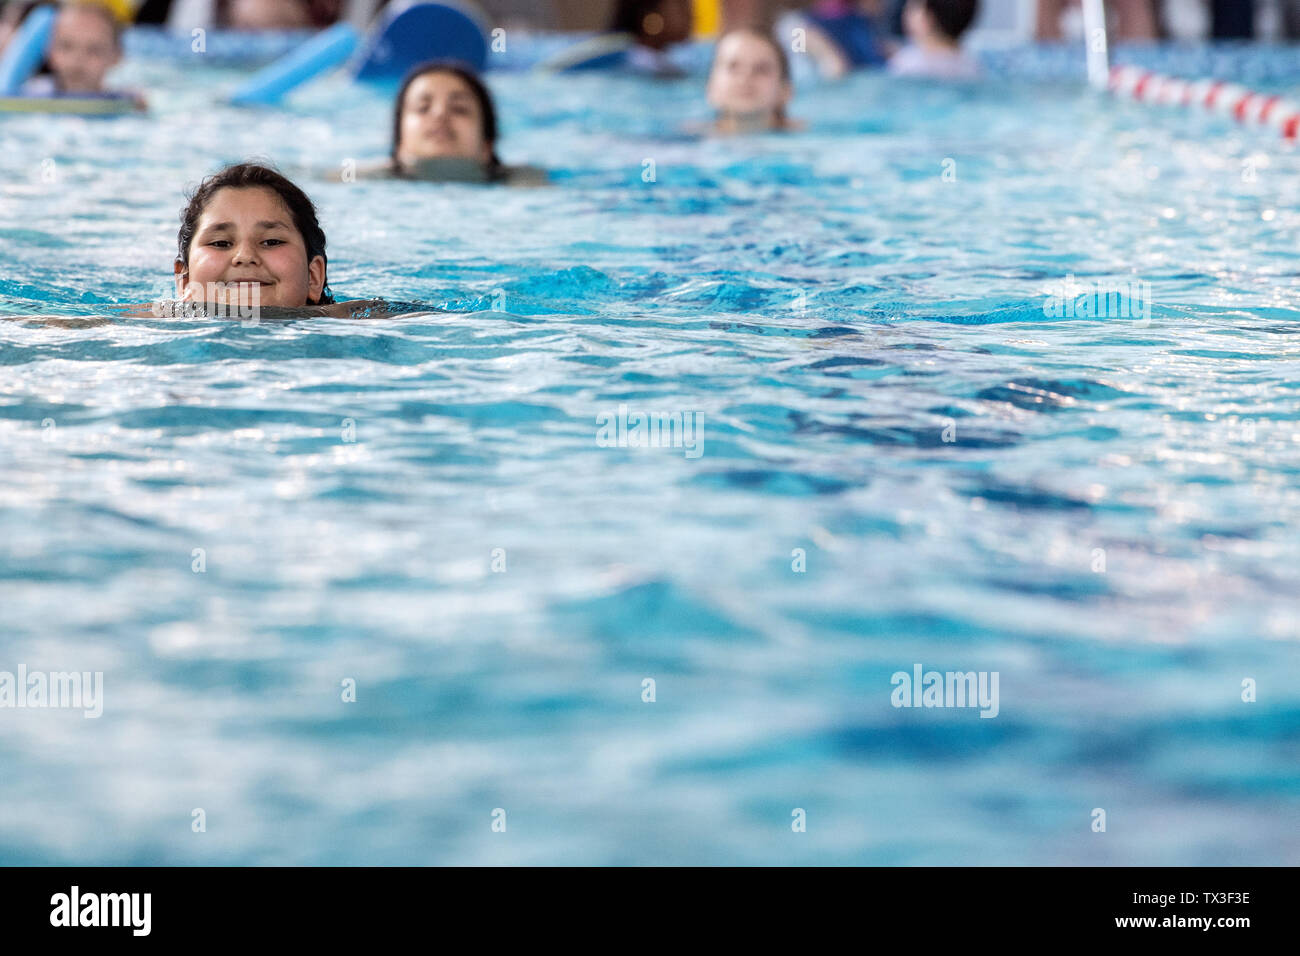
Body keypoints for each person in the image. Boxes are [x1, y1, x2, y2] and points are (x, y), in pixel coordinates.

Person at [171, 162, 378, 316]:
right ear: (185, 281)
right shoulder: (146, 330)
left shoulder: (365, 325)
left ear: (314, 276)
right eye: (220, 243)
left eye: (271, 242)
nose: (245, 256)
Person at [349, 61, 544, 184]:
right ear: (399, 144)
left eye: (459, 109)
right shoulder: (358, 181)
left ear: (487, 146)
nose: (440, 113)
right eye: (423, 107)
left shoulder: (526, 186)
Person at [19, 1, 145, 106]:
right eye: (67, 46)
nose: (78, 59)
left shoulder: (126, 102)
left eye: (94, 50)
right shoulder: (31, 94)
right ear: (49, 51)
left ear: (117, 56)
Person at [705, 29, 803, 134]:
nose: (745, 78)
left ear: (785, 92)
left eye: (761, 69)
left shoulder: (807, 139)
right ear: (711, 86)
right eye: (733, 66)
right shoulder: (692, 140)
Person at [887, 0, 980, 80]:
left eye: (914, 4)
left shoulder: (907, 64)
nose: (906, 8)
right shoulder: (972, 67)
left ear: (928, 17)